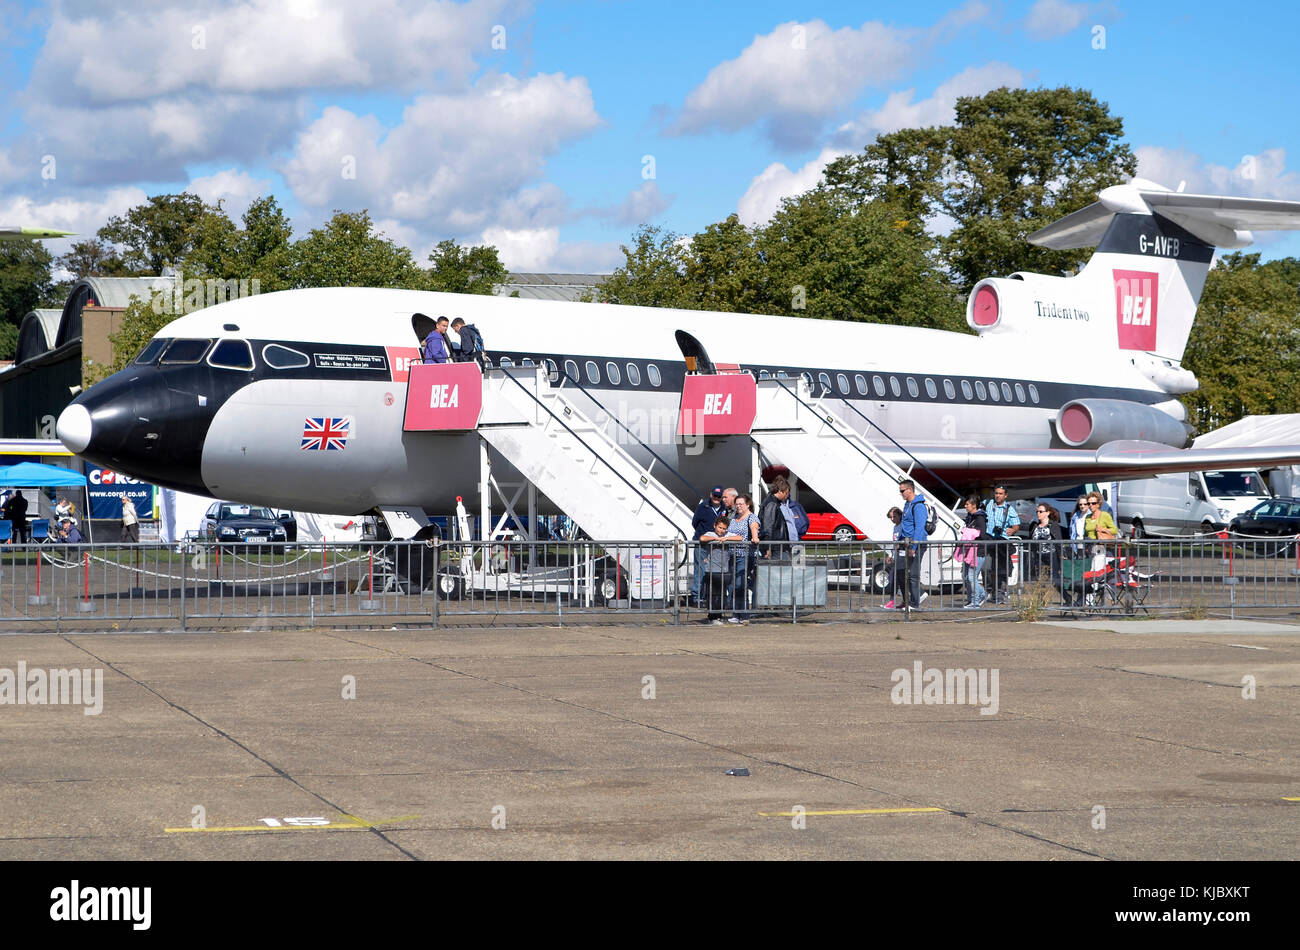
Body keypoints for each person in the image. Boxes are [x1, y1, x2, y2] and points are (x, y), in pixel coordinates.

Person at [691, 486, 729, 605]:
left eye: (719, 496)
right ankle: (697, 597)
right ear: (711, 495)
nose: (716, 498)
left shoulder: (724, 508)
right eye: (715, 495)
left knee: (714, 572)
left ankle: (710, 597)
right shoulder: (703, 506)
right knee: (700, 571)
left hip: (716, 547)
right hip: (702, 544)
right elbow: (694, 522)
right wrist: (707, 535)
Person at [895, 479, 929, 609]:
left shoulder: (918, 506)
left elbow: (919, 528)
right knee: (904, 573)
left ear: (910, 490)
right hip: (907, 543)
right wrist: (900, 542)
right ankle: (911, 600)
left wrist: (914, 547)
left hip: (917, 544)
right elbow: (906, 526)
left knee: (913, 575)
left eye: (902, 491)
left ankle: (915, 603)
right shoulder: (907, 505)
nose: (901, 493)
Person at [727, 493, 760, 624]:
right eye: (737, 504)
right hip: (733, 555)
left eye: (741, 504)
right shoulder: (734, 518)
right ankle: (737, 613)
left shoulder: (752, 517)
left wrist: (755, 537)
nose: (738, 506)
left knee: (741, 584)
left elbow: (754, 527)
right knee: (736, 585)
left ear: (748, 505)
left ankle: (744, 615)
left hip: (745, 555)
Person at [984, 485, 1020, 604]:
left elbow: (1016, 525)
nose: (998, 495)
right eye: (996, 493)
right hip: (989, 539)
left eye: (1000, 493)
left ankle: (1000, 595)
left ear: (1005, 495)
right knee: (987, 568)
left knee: (1002, 570)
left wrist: (1013, 530)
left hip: (1002, 542)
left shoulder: (1009, 509)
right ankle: (991, 592)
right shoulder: (988, 504)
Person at [1025, 504, 1068, 595]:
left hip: (1051, 555)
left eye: (1041, 511)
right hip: (1038, 556)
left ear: (1047, 513)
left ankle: (1067, 598)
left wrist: (1062, 555)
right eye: (1037, 511)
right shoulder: (1034, 526)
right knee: (1040, 579)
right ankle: (1041, 602)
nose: (1038, 513)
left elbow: (1058, 541)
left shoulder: (1053, 525)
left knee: (1055, 579)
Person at [698, 516, 734, 624]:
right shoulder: (711, 534)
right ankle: (712, 616)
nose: (721, 531)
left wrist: (726, 538)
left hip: (724, 569)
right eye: (720, 527)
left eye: (724, 529)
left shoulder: (727, 535)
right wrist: (716, 539)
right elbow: (702, 538)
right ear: (715, 526)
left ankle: (718, 615)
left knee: (722, 594)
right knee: (712, 593)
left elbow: (739, 538)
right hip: (711, 570)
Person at [958, 495, 989, 608]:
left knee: (971, 576)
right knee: (966, 576)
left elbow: (981, 533)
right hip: (969, 550)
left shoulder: (980, 518)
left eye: (967, 504)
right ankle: (976, 597)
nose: (965, 506)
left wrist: (968, 532)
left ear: (974, 505)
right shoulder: (970, 517)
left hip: (978, 550)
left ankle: (976, 601)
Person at [759, 475, 799, 561]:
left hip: (778, 546)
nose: (787, 496)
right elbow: (768, 527)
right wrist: (767, 547)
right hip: (776, 547)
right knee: (782, 571)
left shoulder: (775, 503)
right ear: (780, 491)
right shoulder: (771, 504)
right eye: (786, 493)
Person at [1083, 490, 1118, 570]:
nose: (1090, 505)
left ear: (1098, 504)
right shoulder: (1088, 517)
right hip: (1090, 547)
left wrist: (1103, 529)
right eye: (1089, 503)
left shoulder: (1105, 515)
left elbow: (1114, 530)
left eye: (1093, 503)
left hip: (1100, 546)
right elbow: (1086, 533)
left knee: (1096, 569)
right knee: (1091, 568)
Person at [882, 506, 906, 609]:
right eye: (891, 518)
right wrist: (890, 555)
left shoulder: (903, 526)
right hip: (896, 556)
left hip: (903, 556)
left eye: (894, 517)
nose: (892, 519)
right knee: (892, 578)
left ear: (900, 515)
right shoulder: (895, 527)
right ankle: (893, 600)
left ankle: (906, 601)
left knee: (901, 580)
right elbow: (894, 543)